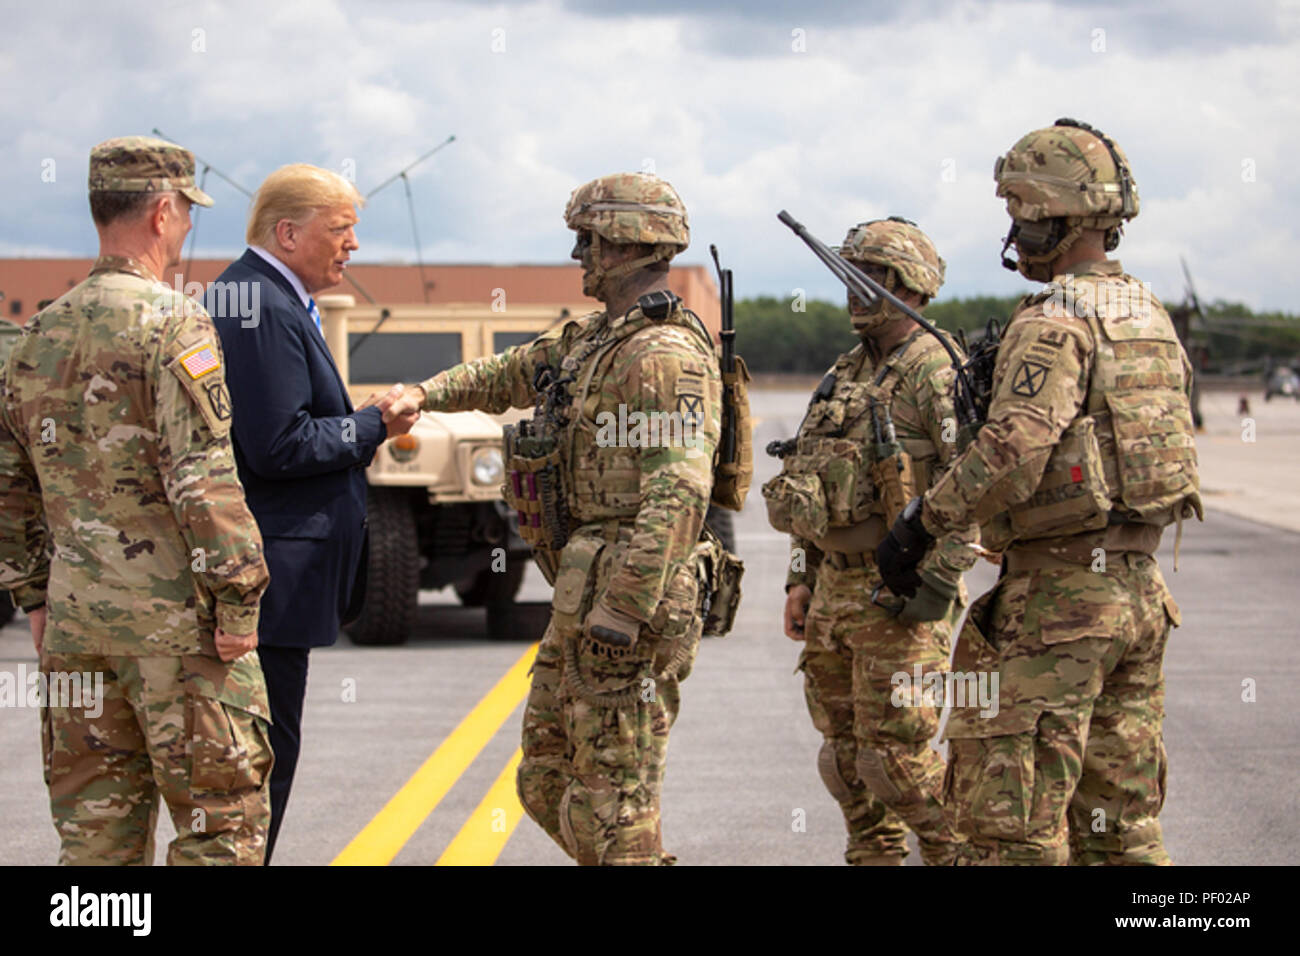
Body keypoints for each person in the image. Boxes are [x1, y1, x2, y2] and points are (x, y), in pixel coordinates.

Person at [876, 119, 1201, 865]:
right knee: (1121, 831)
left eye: (1021, 212)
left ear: (1056, 215)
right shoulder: (1148, 315)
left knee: (1007, 829)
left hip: (1058, 601)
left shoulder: (1055, 319)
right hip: (1139, 594)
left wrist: (923, 523)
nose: (1014, 230)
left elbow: (1012, 451)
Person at [382, 172, 722, 865]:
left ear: (629, 244)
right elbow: (508, 373)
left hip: (630, 594)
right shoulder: (597, 340)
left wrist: (624, 611)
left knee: (614, 799)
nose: (578, 255)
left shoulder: (662, 355)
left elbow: (679, 494)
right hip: (584, 582)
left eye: (588, 239)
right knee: (544, 776)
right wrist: (425, 392)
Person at [0, 135, 273, 865]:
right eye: (185, 212)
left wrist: (35, 598)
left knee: (93, 842)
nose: (185, 228)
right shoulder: (173, 322)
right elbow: (203, 477)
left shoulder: (34, 338)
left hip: (76, 630)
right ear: (161, 212)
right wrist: (240, 601)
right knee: (220, 832)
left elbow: (9, 488)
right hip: (179, 634)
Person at [205, 164, 417, 862]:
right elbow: (278, 445)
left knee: (261, 761)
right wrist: (373, 424)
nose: (353, 244)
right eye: (341, 229)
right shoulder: (258, 303)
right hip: (271, 576)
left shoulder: (267, 296)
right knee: (260, 765)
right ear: (287, 231)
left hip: (277, 576)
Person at [763, 217, 973, 865]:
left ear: (909, 282)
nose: (854, 290)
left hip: (903, 588)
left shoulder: (937, 369)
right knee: (846, 760)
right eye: (847, 275)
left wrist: (934, 585)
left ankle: (964, 854)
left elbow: (975, 485)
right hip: (834, 588)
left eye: (870, 276)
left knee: (897, 761)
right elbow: (808, 476)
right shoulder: (845, 371)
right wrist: (801, 576)